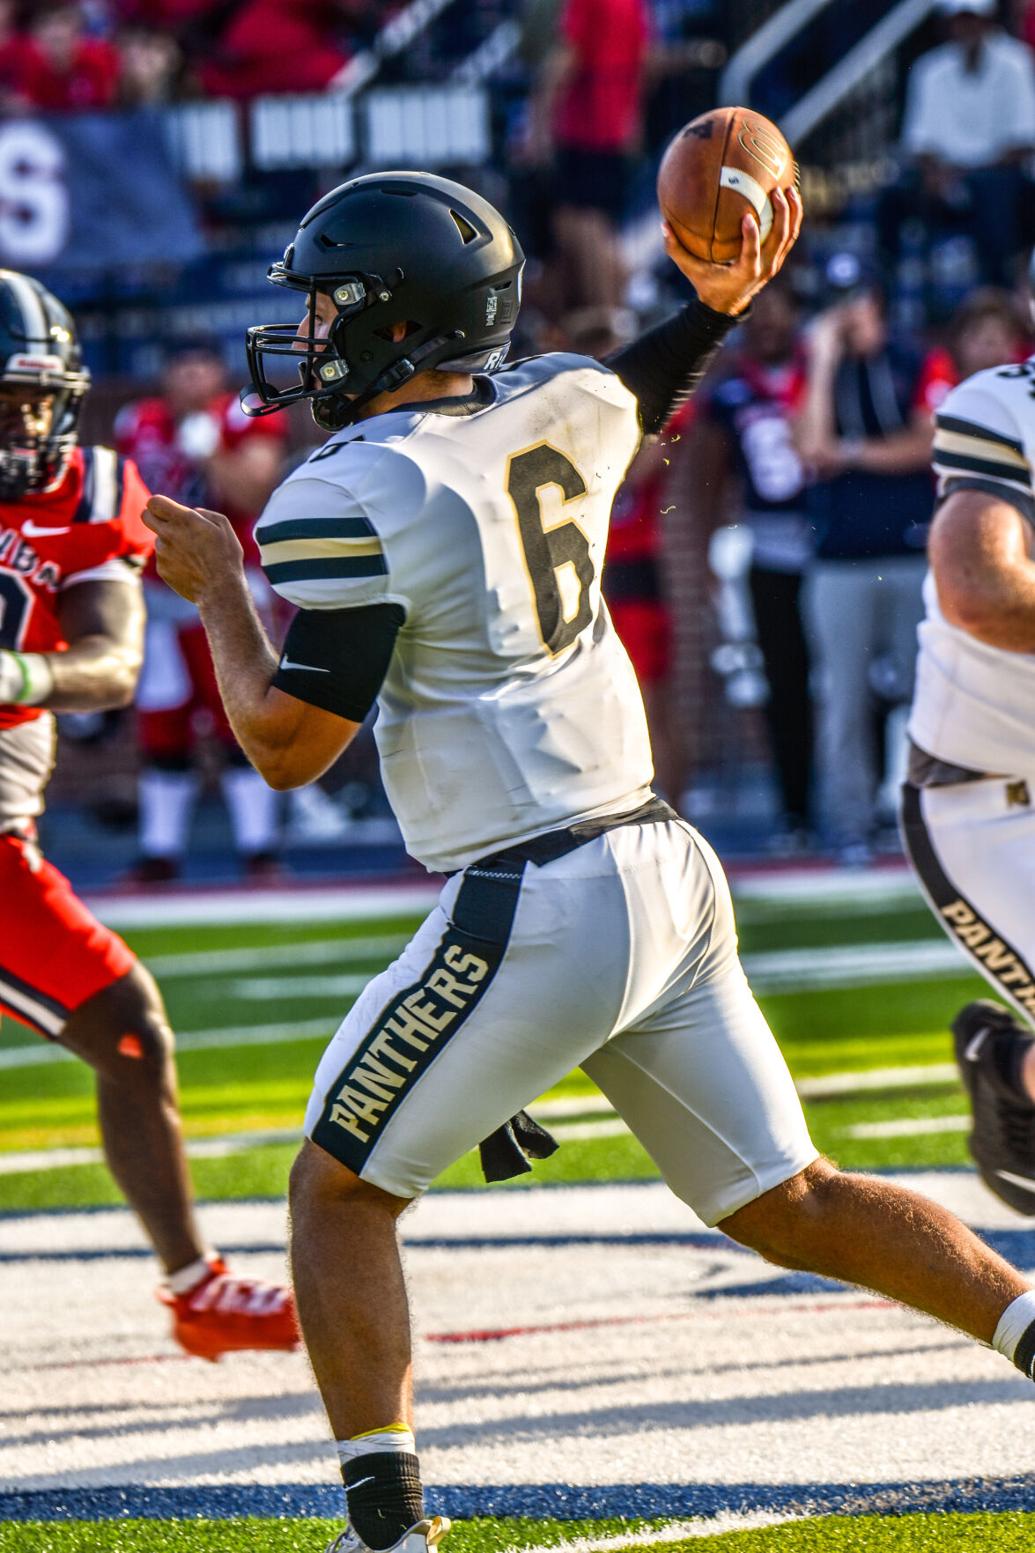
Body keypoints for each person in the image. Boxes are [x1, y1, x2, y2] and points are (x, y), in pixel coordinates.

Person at [144, 171, 1035, 1553]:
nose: (309, 334)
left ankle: (383, 1532)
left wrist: (213, 588)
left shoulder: (352, 490)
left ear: (395, 319)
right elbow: (633, 387)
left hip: (533, 893)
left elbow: (283, 744)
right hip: (659, 864)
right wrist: (710, 308)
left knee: (334, 1190)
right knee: (788, 1198)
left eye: (329, 307)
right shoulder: (556, 399)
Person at [0, 270, 297, 1361]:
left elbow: (111, 658)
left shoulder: (84, 494)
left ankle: (195, 1287)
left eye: (33, 401)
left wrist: (12, 667)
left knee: (130, 1033)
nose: (19, 426)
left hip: (0, 841)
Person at [901, 247, 1035, 1217]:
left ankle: (1013, 1066)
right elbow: (979, 590)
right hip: (991, 799)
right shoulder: (1006, 401)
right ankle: (1007, 1062)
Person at [115, 341, 287, 881]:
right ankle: (158, 852)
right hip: (160, 594)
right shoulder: (137, 421)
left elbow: (255, 490)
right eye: (179, 367)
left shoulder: (244, 413)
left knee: (241, 714)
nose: (190, 377)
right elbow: (126, 502)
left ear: (217, 373)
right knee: (162, 724)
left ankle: (259, 850)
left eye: (200, 367)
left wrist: (209, 452)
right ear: (165, 375)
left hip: (228, 591)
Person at [795, 255, 935, 864]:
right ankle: (850, 822)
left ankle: (924, 817)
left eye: (855, 299)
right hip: (840, 560)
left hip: (909, 550)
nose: (847, 314)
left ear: (876, 300)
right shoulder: (817, 364)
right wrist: (824, 359)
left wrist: (849, 452)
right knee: (843, 699)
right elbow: (807, 446)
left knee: (924, 694)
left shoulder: (913, 357)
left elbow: (928, 443)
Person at [685, 279, 813, 848]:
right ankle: (797, 812)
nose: (765, 323)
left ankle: (860, 803)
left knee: (849, 677)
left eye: (775, 312)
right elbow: (710, 477)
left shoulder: (825, 371)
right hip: (769, 547)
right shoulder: (732, 392)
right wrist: (710, 545)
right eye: (754, 316)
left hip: (835, 548)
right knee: (783, 681)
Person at [883, 0, 1035, 288]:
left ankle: (997, 289)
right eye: (960, 20)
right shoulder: (930, 69)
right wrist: (936, 174)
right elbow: (919, 143)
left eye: (973, 19)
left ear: (988, 20)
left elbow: (1023, 142)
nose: (967, 28)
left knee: (993, 190)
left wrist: (965, 174)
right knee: (892, 197)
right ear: (948, 25)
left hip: (999, 177)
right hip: (946, 174)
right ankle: (888, 291)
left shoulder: (1016, 63)